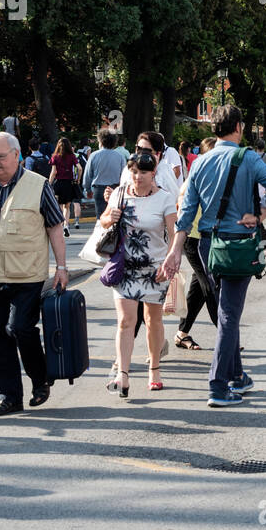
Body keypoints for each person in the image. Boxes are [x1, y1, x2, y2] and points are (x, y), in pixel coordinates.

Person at [164, 105, 266, 407]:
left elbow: (187, 211)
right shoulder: (247, 157)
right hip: (238, 243)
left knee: (224, 309)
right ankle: (218, 385)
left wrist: (175, 250)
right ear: (239, 127)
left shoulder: (200, 162)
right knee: (229, 315)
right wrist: (260, 214)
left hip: (207, 243)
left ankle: (238, 376)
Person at [0, 132, 69, 416]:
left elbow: (55, 227)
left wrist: (61, 267)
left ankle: (40, 377)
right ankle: (9, 397)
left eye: (0, 156)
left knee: (21, 328)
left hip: (27, 275)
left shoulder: (38, 185)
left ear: (17, 155)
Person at [100, 152, 176, 397]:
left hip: (155, 268)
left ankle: (154, 367)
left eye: (143, 172)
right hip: (124, 268)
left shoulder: (164, 198)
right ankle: (123, 374)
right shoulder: (121, 194)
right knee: (125, 321)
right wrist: (107, 218)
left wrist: (172, 261)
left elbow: (174, 234)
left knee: (153, 320)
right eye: (134, 171)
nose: (138, 176)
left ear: (153, 173)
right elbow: (103, 222)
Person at [173, 135, 219, 350]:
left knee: (199, 288)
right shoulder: (194, 179)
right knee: (210, 285)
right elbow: (181, 205)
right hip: (194, 240)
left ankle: (182, 333)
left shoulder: (217, 180)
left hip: (209, 239)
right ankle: (227, 336)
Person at [85, 129, 128, 218]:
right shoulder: (120, 157)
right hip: (115, 189)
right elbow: (124, 176)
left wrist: (88, 190)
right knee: (115, 216)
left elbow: (88, 175)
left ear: (101, 141)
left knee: (101, 218)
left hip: (99, 189)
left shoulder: (94, 155)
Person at [49, 137, 81, 236]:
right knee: (67, 206)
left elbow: (53, 172)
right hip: (68, 183)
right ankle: (66, 225)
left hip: (58, 183)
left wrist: (49, 184)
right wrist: (78, 179)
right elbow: (79, 168)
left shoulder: (55, 157)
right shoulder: (72, 156)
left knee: (59, 206)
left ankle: (60, 225)